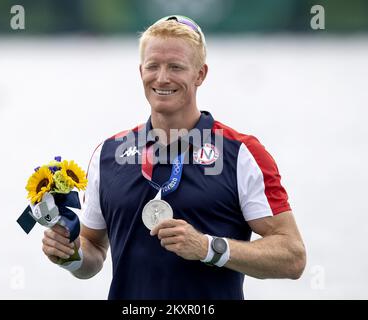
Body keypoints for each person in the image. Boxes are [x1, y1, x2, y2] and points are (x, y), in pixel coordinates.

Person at [41, 15, 306, 299]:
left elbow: (292, 256)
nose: (162, 77)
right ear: (141, 71)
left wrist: (208, 248)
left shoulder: (241, 153)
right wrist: (71, 255)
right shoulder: (108, 155)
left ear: (200, 74)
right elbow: (93, 249)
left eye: (176, 67)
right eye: (153, 66)